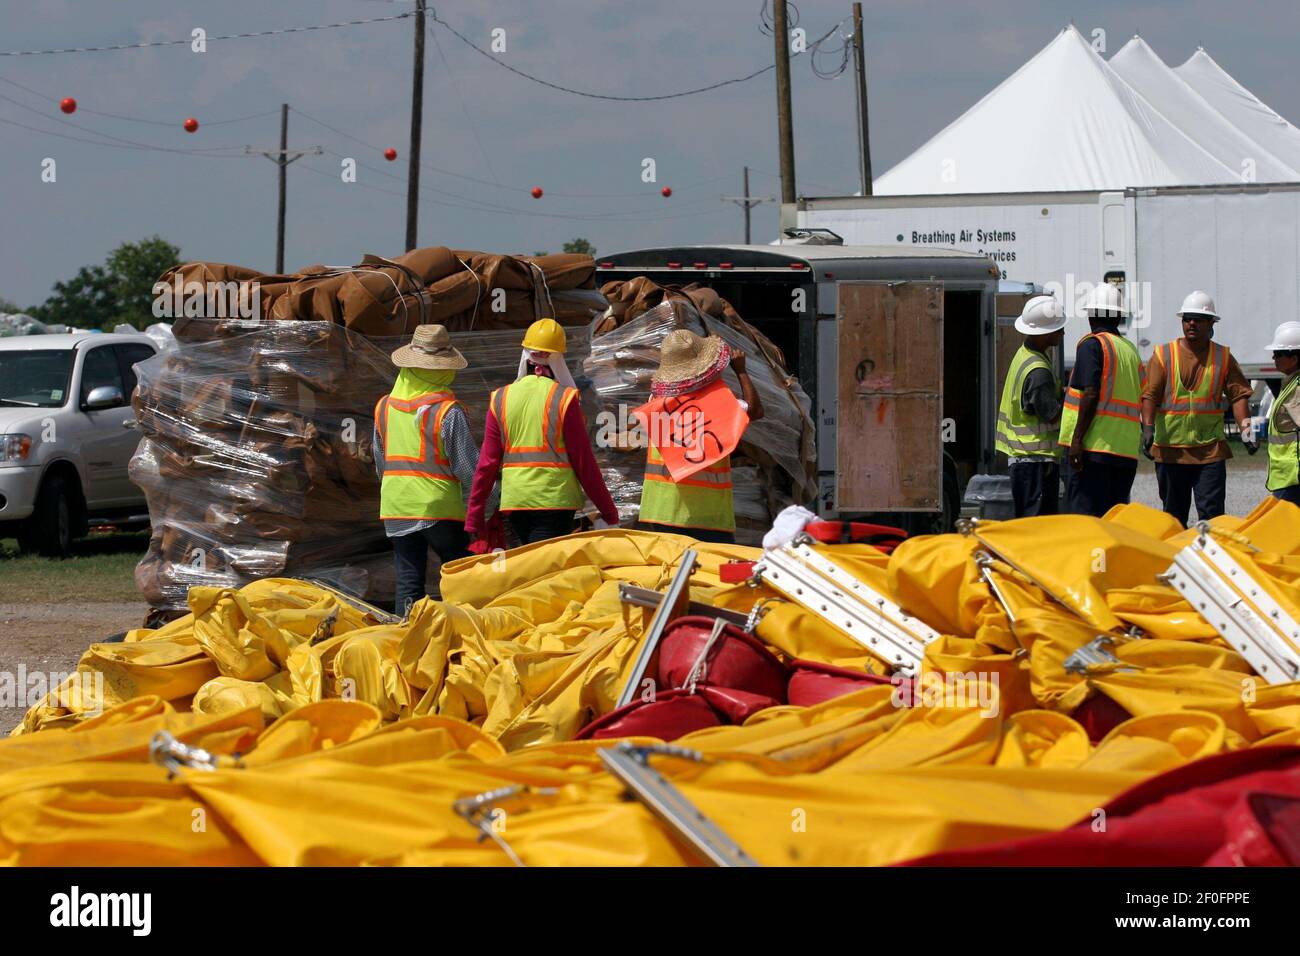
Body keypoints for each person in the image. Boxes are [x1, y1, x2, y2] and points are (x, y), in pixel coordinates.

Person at [374, 324, 495, 616]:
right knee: (460, 576)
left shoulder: (384, 407)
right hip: (439, 508)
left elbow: (380, 461)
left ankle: (407, 637)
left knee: (408, 580)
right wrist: (489, 504)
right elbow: (468, 468)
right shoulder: (446, 410)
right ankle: (460, 634)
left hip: (396, 506)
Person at [465, 318, 618, 545]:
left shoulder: (500, 398)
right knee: (545, 572)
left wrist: (474, 516)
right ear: (558, 359)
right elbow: (583, 462)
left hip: (516, 501)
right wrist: (608, 512)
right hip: (554, 501)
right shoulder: (565, 399)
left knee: (528, 569)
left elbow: (486, 464)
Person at [634, 329, 764, 544]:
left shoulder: (654, 401)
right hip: (705, 515)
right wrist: (740, 371)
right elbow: (755, 411)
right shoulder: (716, 403)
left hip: (660, 510)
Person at [1140, 291, 1256, 526]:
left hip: (1209, 451)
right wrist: (1148, 428)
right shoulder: (1163, 355)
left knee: (1212, 518)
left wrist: (1246, 431)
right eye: (1187, 318)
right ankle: (1177, 560)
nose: (1191, 323)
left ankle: (1210, 560)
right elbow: (1149, 395)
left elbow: (1239, 395)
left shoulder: (1223, 356)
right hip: (1171, 450)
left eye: (1198, 319)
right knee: (1173, 518)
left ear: (1211, 323)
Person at [1058, 282, 1143, 516]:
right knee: (1113, 520)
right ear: (1118, 317)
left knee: (1086, 521)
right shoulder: (1130, 351)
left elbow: (1091, 393)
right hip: (1124, 453)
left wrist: (1076, 441)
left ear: (1092, 315)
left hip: (1093, 451)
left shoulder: (1092, 345)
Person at [994, 295, 1065, 517]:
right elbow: (1052, 416)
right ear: (1043, 333)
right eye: (1057, 329)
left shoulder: (1025, 355)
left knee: (1027, 524)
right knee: (1036, 528)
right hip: (1036, 462)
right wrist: (1073, 399)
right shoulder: (1038, 371)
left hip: (1026, 461)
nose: (1062, 333)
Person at [1265, 321, 1300, 505]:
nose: (1273, 357)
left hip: (1293, 479)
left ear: (1294, 359)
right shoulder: (1291, 384)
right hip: (1288, 477)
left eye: (1278, 354)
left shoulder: (1297, 388)